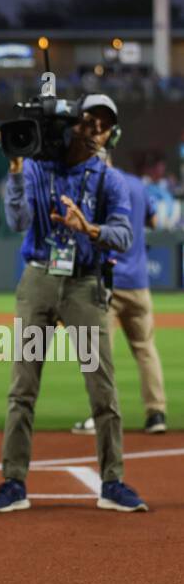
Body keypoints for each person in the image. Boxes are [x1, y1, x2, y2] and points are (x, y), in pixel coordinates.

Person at [0, 94, 149, 514]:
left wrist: (90, 228)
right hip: (39, 276)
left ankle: (113, 482)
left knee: (102, 387)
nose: (98, 131)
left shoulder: (107, 179)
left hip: (83, 284)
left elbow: (124, 236)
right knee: (23, 387)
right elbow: (18, 221)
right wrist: (17, 170)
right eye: (91, 121)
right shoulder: (38, 167)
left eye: (105, 125)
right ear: (73, 124)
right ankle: (13, 481)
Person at [72, 130, 167, 437]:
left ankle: (102, 417)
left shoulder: (94, 188)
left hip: (107, 284)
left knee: (100, 356)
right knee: (146, 350)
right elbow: (154, 222)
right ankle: (156, 414)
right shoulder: (138, 185)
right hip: (139, 282)